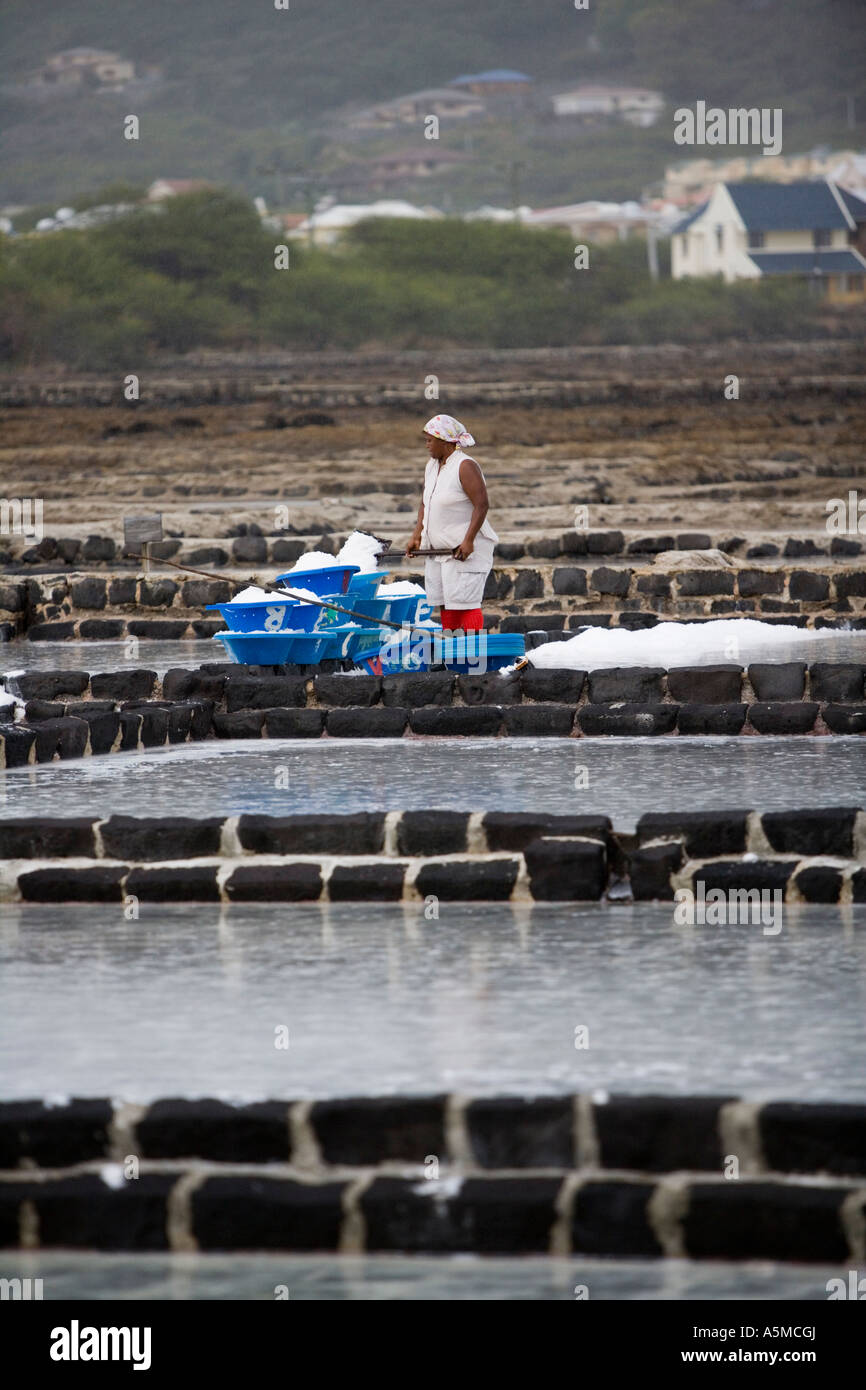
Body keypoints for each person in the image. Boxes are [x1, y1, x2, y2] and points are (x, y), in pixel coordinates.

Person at [406, 414, 498, 631]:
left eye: (430, 440)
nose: (427, 445)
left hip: (462, 550)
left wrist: (468, 540)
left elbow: (482, 504)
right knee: (446, 603)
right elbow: (425, 503)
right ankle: (454, 657)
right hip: (438, 551)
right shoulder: (432, 466)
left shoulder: (465, 466)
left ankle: (473, 655)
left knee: (465, 603)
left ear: (446, 441)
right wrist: (416, 535)